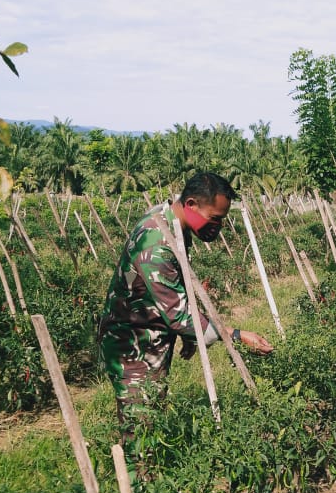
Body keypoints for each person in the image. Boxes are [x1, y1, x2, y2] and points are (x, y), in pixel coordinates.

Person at [98, 171, 273, 438]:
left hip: (149, 332)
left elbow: (175, 290)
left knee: (153, 414)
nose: (218, 226)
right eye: (214, 218)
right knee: (141, 429)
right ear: (190, 205)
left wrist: (188, 337)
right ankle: (139, 477)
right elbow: (179, 314)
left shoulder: (172, 223)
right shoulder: (156, 244)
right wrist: (234, 335)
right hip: (131, 343)